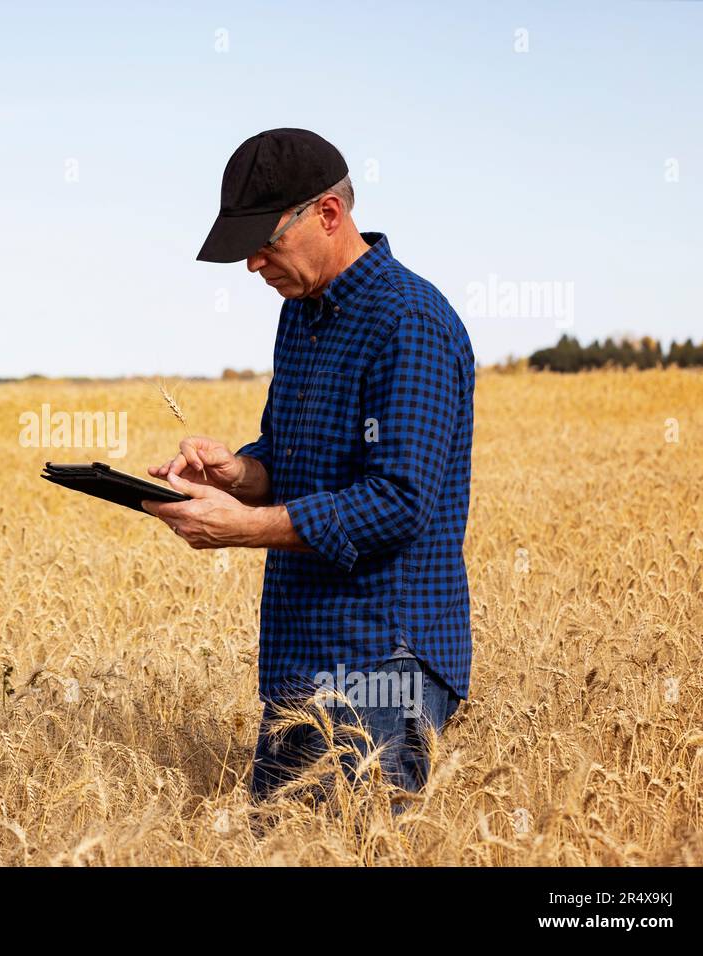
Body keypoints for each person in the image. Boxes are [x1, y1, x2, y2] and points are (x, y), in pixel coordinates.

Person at [141, 128, 475, 810]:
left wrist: (242, 529)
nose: (253, 263)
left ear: (328, 214)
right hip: (303, 651)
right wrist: (238, 473)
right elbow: (293, 458)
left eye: (265, 240)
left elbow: (398, 500)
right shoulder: (302, 315)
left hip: (383, 661)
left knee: (357, 851)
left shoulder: (409, 322)